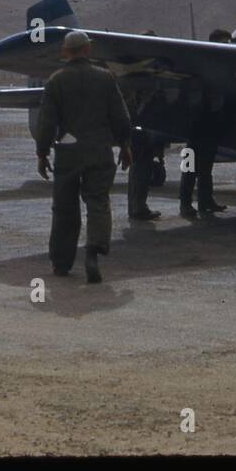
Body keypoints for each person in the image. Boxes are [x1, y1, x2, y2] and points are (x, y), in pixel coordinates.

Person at [35, 29, 132, 283]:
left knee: (65, 208)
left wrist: (42, 153)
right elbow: (121, 117)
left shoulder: (56, 81)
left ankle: (61, 262)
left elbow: (46, 123)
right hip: (99, 151)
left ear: (66, 52)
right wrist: (125, 145)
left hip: (68, 154)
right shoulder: (106, 78)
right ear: (88, 50)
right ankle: (93, 252)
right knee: (98, 201)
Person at [179, 28, 232, 218]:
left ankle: (205, 201)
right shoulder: (203, 66)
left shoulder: (216, 65)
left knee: (205, 168)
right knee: (189, 168)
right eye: (225, 43)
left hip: (208, 126)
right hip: (195, 127)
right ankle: (185, 204)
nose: (228, 47)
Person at [125, 30, 161, 221]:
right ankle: (139, 207)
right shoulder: (143, 73)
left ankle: (135, 206)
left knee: (136, 167)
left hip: (133, 126)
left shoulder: (130, 68)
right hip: (141, 126)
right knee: (142, 167)